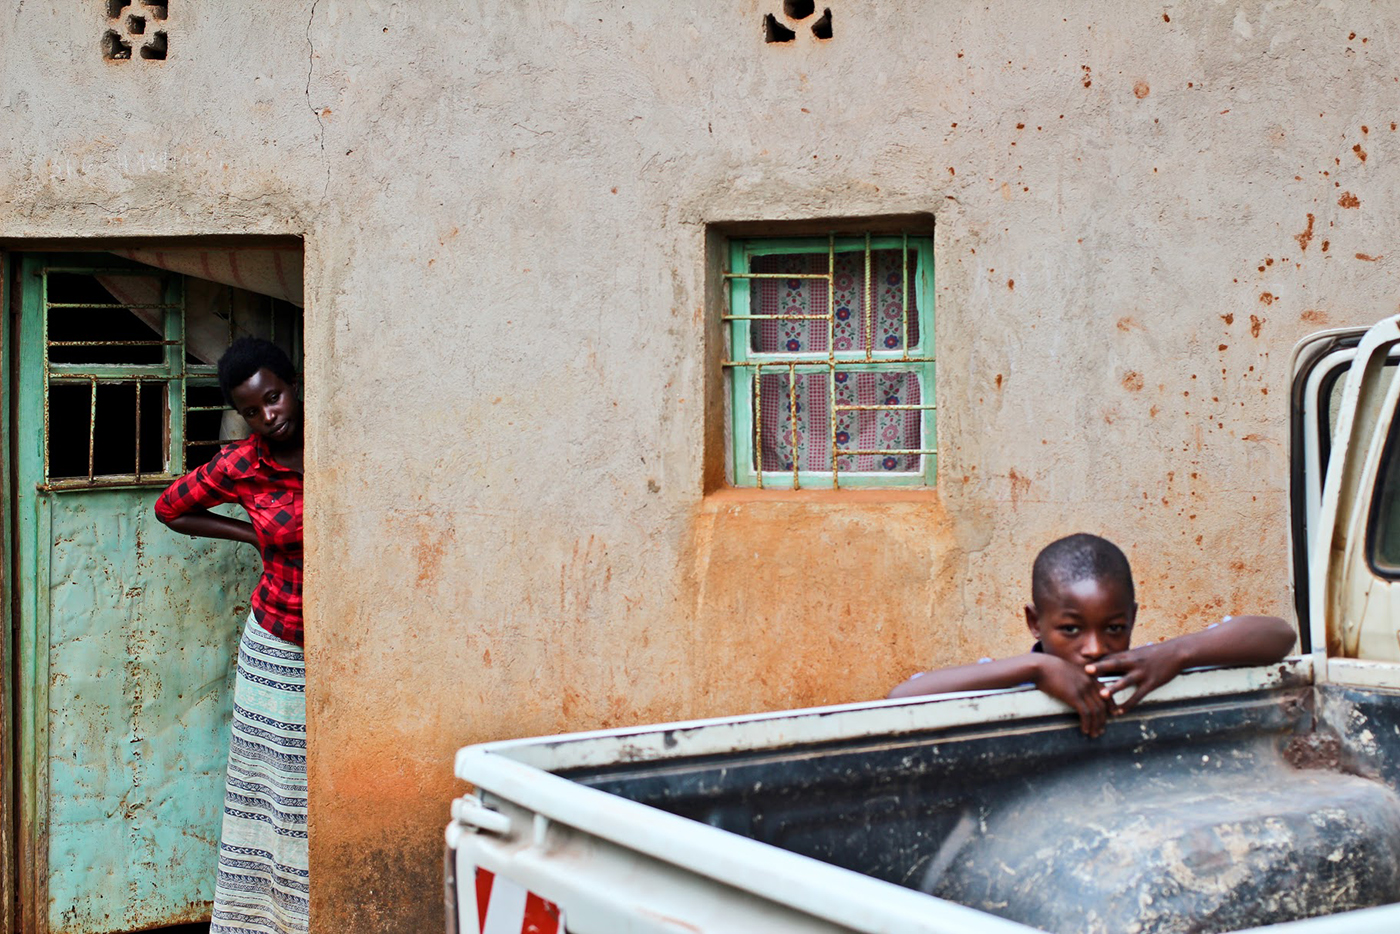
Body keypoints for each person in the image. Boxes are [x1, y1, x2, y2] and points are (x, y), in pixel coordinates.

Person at [154, 336, 307, 934]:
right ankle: (265, 923)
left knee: (320, 795)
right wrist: (252, 537)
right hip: (277, 649)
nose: (269, 415)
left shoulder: (344, 442)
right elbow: (171, 508)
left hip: (349, 652)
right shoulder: (244, 465)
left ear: (293, 384)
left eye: (274, 397)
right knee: (275, 795)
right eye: (252, 410)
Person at [887, 533, 1296, 738]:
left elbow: (1277, 635)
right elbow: (901, 698)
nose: (1096, 648)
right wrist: (1036, 667)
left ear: (1133, 619)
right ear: (1034, 623)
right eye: (1070, 630)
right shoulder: (1015, 682)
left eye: (1115, 628)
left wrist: (1177, 653)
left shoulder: (1148, 672)